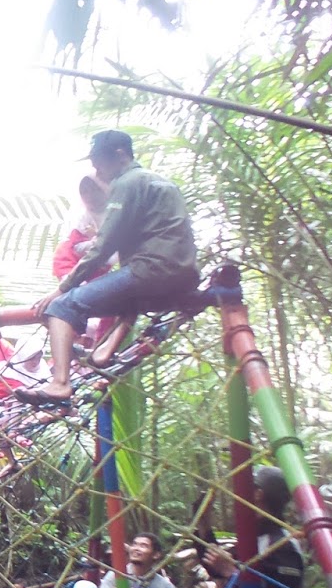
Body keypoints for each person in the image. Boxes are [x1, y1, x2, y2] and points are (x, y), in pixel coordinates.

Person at [20, 130, 200, 404]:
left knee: (62, 307)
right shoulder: (161, 183)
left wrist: (62, 288)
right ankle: (103, 353)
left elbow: (104, 244)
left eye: (98, 161)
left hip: (151, 271)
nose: (96, 169)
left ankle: (60, 383)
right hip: (182, 276)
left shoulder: (126, 182)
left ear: (119, 155)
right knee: (128, 297)